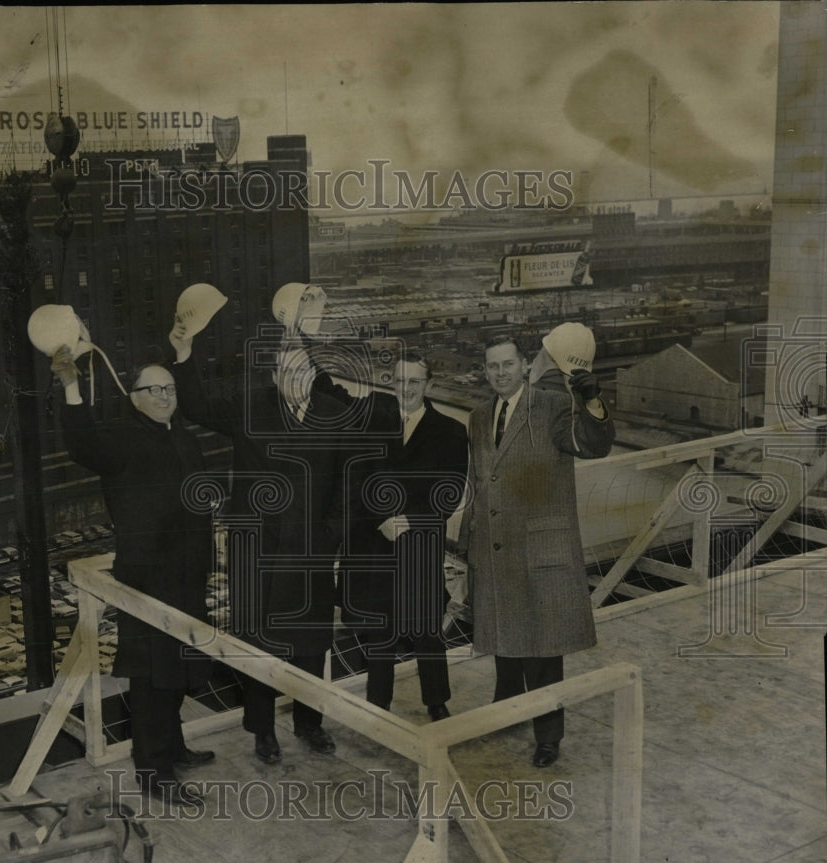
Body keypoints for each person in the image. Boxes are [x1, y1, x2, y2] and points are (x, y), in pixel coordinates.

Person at [168, 314, 348, 765]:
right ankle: (263, 731)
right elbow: (196, 406)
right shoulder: (251, 406)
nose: (296, 378)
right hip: (258, 551)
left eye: (304, 369)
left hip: (310, 552)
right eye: (286, 370)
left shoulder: (333, 414)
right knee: (257, 645)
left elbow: (348, 481)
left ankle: (310, 722)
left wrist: (331, 535)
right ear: (273, 376)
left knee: (310, 644)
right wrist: (184, 353)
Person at [52, 346, 215, 806]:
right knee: (151, 679)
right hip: (147, 579)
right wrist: (70, 384)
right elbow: (82, 444)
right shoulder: (122, 439)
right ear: (134, 396)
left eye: (169, 388)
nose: (163, 395)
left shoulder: (184, 437)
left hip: (188, 575)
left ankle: (175, 748)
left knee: (181, 670)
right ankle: (154, 772)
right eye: (153, 389)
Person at [460, 334, 614, 768]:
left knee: (543, 649)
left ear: (526, 365)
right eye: (492, 367)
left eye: (508, 364)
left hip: (539, 547)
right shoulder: (477, 416)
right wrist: (466, 546)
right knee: (504, 641)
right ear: (485, 371)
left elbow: (592, 444)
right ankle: (507, 709)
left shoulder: (551, 406)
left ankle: (548, 736)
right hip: (494, 548)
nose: (500, 373)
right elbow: (478, 484)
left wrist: (593, 402)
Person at [317, 352, 468, 720]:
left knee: (427, 631)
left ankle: (436, 703)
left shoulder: (450, 431)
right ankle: (377, 703)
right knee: (377, 630)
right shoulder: (370, 423)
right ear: (391, 382)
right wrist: (381, 517)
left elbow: (450, 491)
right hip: (373, 545)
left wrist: (409, 520)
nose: (407, 389)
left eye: (415, 382)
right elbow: (355, 480)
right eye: (400, 381)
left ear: (428, 384)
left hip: (418, 545)